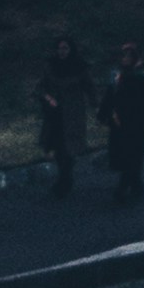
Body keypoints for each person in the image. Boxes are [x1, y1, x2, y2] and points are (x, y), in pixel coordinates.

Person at [100, 44, 144, 209]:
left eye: (128, 56)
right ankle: (136, 185)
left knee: (134, 155)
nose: (124, 59)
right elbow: (110, 95)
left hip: (138, 122)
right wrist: (105, 114)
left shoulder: (142, 76)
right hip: (121, 122)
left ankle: (122, 188)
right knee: (128, 155)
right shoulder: (118, 75)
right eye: (123, 56)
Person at [35, 32, 91, 208]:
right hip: (56, 113)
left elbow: (88, 86)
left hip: (73, 113)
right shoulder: (51, 66)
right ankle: (63, 177)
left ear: (71, 49)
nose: (62, 52)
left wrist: (96, 104)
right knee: (58, 147)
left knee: (69, 148)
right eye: (60, 48)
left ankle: (65, 179)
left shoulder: (79, 66)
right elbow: (41, 86)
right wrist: (48, 97)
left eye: (65, 48)